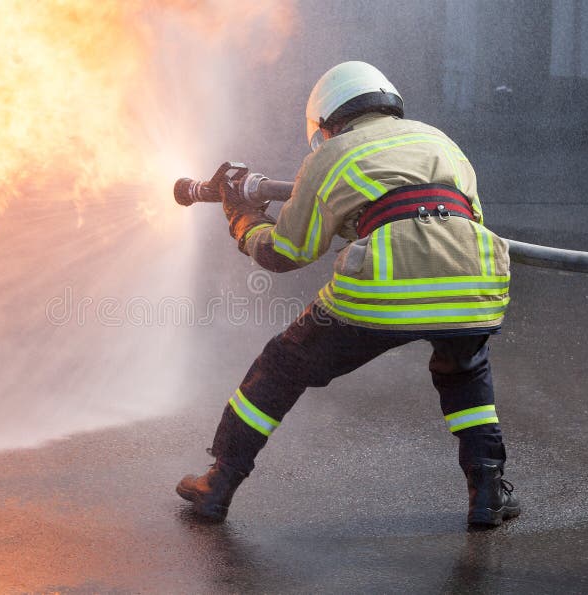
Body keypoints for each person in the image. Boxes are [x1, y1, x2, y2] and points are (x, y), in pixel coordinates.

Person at [176, 61, 520, 527]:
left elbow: (285, 252)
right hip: (476, 280)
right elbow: (462, 218)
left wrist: (241, 217)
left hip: (385, 286)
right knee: (465, 369)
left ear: (326, 120)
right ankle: (488, 494)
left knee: (282, 365)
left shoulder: (331, 155)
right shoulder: (440, 141)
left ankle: (218, 484)